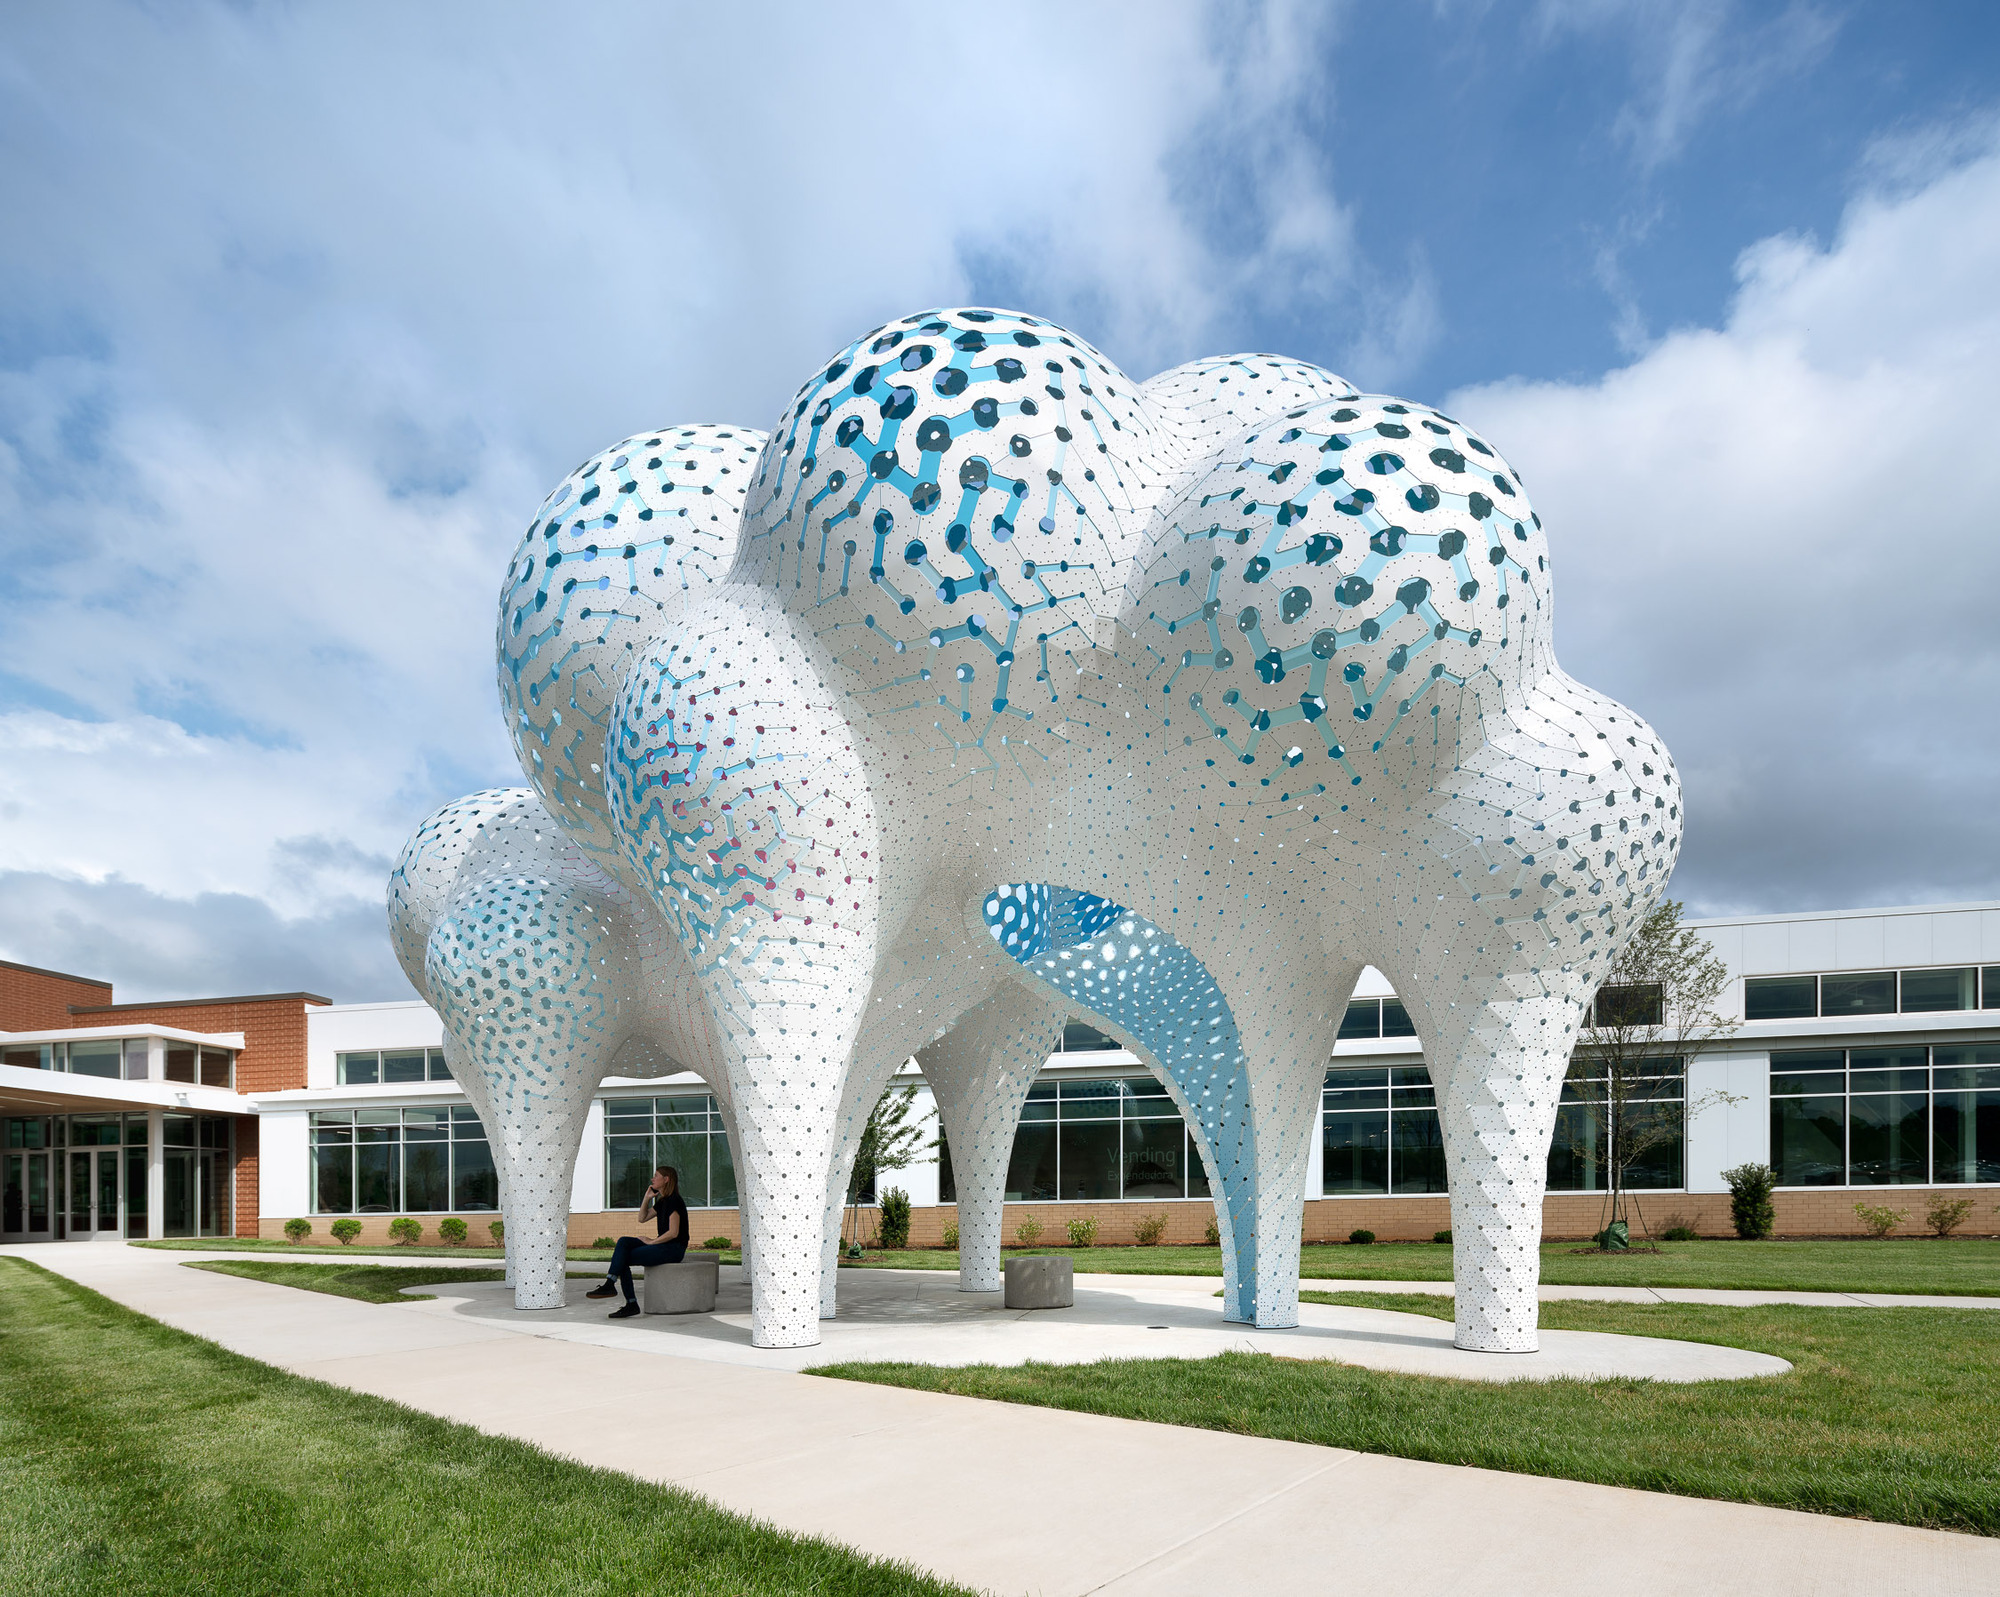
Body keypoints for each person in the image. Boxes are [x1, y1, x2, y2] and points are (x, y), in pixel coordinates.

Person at [585, 1165, 688, 1318]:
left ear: (666, 1179)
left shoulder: (675, 1201)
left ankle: (628, 1301)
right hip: (664, 1245)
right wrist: (646, 1198)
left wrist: (652, 1242)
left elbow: (673, 1233)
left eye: (656, 1176)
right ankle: (611, 1285)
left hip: (673, 1249)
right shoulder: (663, 1201)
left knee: (623, 1258)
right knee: (624, 1242)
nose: (652, 1179)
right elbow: (642, 1218)